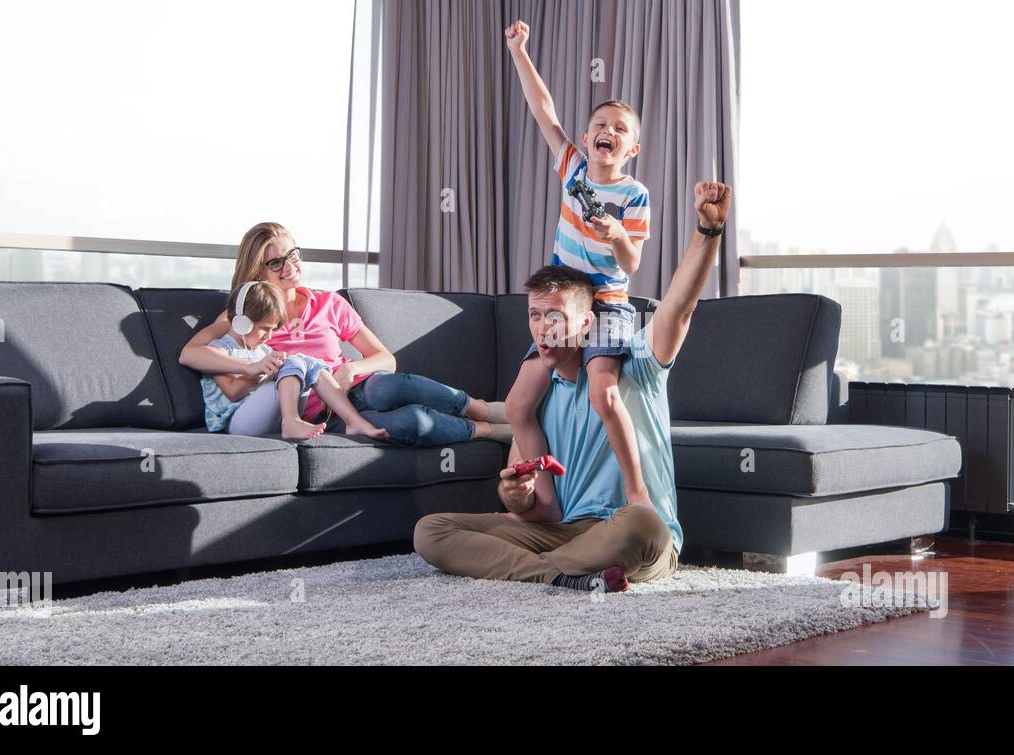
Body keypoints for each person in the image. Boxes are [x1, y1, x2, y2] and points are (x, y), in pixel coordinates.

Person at [414, 180, 732, 593]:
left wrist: (708, 232)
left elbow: (681, 306)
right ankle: (561, 576)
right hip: (563, 532)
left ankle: (535, 573)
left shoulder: (634, 364)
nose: (542, 328)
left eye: (555, 316)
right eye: (534, 315)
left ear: (586, 323)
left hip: (630, 532)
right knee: (431, 531)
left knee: (642, 524)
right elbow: (529, 509)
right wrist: (514, 493)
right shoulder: (534, 398)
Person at [503, 19, 655, 517]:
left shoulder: (634, 195)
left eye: (620, 129)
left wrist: (615, 236)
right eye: (600, 125)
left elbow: (633, 262)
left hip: (606, 301)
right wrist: (520, 52)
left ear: (630, 148)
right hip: (561, 297)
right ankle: (544, 505)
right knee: (518, 405)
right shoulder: (571, 166)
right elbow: (543, 111)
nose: (607, 131)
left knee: (603, 393)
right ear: (587, 137)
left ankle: (637, 496)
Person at [180, 222, 509, 445]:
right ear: (257, 272)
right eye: (276, 263)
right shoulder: (248, 315)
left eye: (293, 255)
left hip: (356, 387)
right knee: (411, 423)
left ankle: (479, 407)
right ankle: (488, 431)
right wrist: (250, 368)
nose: (290, 266)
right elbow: (194, 353)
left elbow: (386, 359)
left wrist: (353, 368)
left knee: (390, 387)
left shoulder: (327, 304)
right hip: (322, 413)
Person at [200, 280, 389, 442]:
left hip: (266, 417)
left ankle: (353, 421)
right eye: (264, 329)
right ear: (241, 323)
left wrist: (277, 368)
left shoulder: (263, 350)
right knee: (293, 363)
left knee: (306, 362)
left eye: (273, 330)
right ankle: (290, 422)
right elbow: (232, 392)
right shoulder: (220, 350)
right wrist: (262, 370)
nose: (269, 336)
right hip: (236, 423)